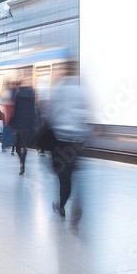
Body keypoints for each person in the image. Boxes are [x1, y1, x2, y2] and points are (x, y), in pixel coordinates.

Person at [47, 65, 90, 220]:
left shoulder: (59, 89)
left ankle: (62, 205)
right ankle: (76, 203)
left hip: (60, 141)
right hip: (76, 141)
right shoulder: (81, 91)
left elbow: (51, 114)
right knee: (73, 172)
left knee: (63, 176)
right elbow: (85, 113)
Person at [11, 78, 38, 175]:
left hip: (20, 124)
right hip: (29, 124)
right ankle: (24, 157)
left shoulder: (18, 94)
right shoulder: (32, 94)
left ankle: (22, 162)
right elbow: (33, 110)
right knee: (24, 145)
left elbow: (16, 110)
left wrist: (13, 123)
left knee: (18, 147)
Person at [0, 81, 16, 153]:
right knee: (7, 132)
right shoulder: (9, 97)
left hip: (6, 118)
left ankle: (5, 146)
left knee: (6, 132)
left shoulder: (4, 93)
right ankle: (6, 145)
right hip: (8, 118)